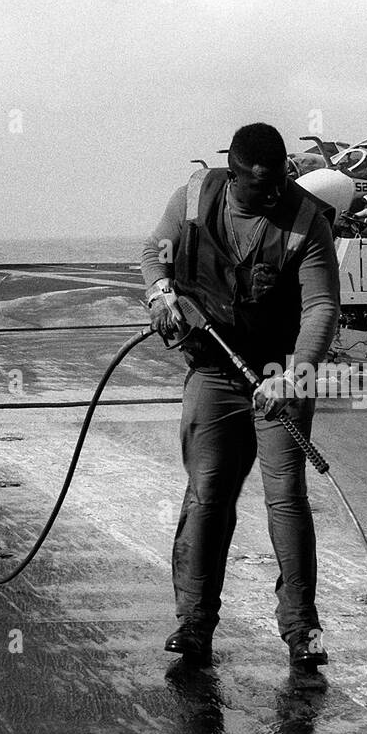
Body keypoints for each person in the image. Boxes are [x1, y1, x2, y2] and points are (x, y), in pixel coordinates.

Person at [141, 122, 340, 671]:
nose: (271, 196)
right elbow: (154, 254)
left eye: (278, 184)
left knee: (286, 500)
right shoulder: (192, 198)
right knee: (207, 496)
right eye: (257, 188)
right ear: (233, 175)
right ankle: (195, 625)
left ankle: (303, 632)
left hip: (279, 373)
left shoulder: (307, 221)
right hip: (213, 370)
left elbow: (322, 306)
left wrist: (295, 375)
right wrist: (161, 293)